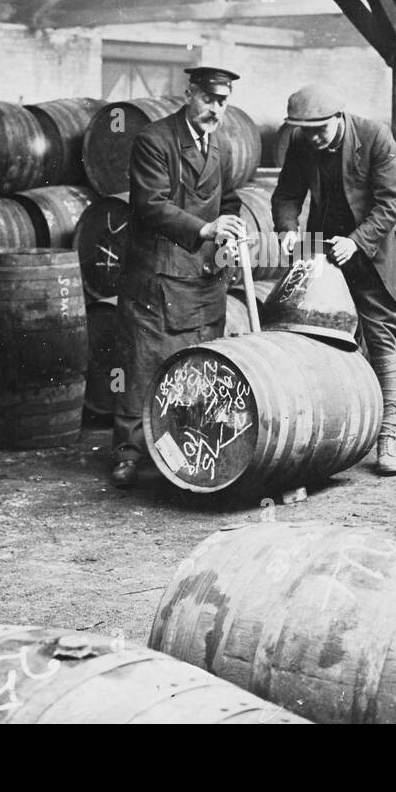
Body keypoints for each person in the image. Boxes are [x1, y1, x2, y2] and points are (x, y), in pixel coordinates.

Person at [109, 67, 247, 488]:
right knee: (145, 364)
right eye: (207, 99)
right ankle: (129, 452)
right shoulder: (155, 140)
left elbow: (228, 198)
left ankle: (186, 445)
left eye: (221, 102)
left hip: (201, 275)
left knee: (199, 365)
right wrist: (206, 230)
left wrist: (233, 231)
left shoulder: (217, 146)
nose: (214, 109)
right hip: (157, 275)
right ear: (188, 95)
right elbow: (150, 204)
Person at [271, 84, 396, 476]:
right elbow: (286, 195)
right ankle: (335, 433)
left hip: (376, 253)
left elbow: (391, 203)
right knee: (321, 338)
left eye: (320, 129)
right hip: (325, 252)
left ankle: (387, 438)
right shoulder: (303, 142)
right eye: (306, 130)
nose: (314, 138)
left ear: (339, 117)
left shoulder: (374, 137)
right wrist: (286, 229)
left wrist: (356, 243)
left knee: (381, 339)